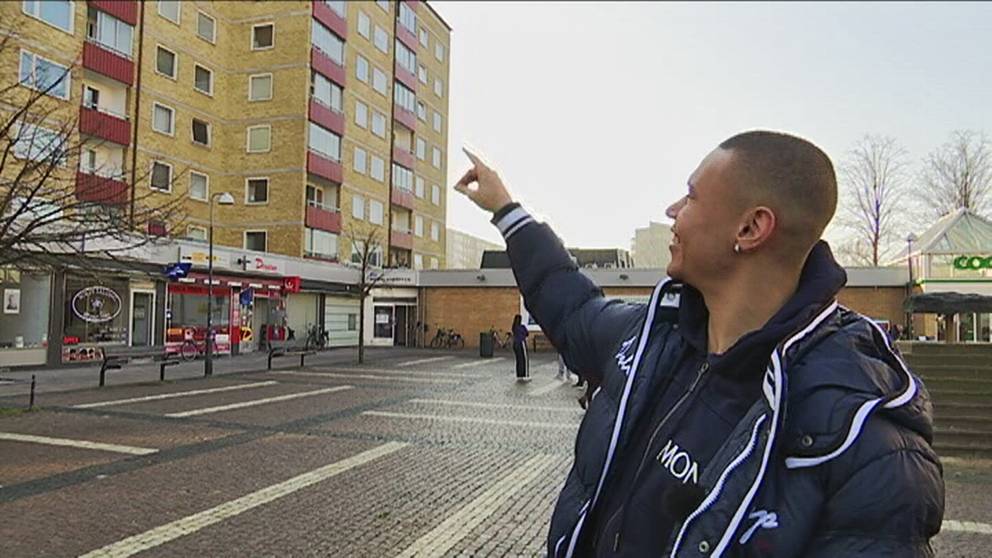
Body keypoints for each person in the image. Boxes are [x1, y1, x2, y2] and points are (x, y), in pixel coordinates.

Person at [454, 131, 943, 557]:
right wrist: (506, 210)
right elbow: (573, 307)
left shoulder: (865, 440)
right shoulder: (654, 336)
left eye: (689, 197)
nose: (672, 211)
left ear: (750, 229)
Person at [511, 314, 530, 381]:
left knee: (518, 360)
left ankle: (519, 375)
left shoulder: (514, 327)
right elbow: (527, 333)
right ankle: (525, 375)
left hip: (515, 344)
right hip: (521, 343)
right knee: (524, 359)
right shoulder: (522, 327)